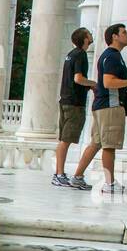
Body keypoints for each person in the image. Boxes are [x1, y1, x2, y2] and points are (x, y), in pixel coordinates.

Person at [70, 23, 127, 195]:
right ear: (114, 36)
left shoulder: (111, 56)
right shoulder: (113, 56)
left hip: (101, 105)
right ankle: (109, 184)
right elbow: (108, 82)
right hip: (110, 106)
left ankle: (77, 177)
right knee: (109, 145)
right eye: (124, 32)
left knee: (96, 143)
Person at [53, 27, 97, 189]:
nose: (92, 36)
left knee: (63, 140)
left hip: (65, 100)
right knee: (66, 140)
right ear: (85, 39)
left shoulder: (70, 55)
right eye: (89, 34)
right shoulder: (80, 54)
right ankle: (59, 174)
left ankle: (59, 173)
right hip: (74, 103)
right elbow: (78, 78)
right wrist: (93, 84)